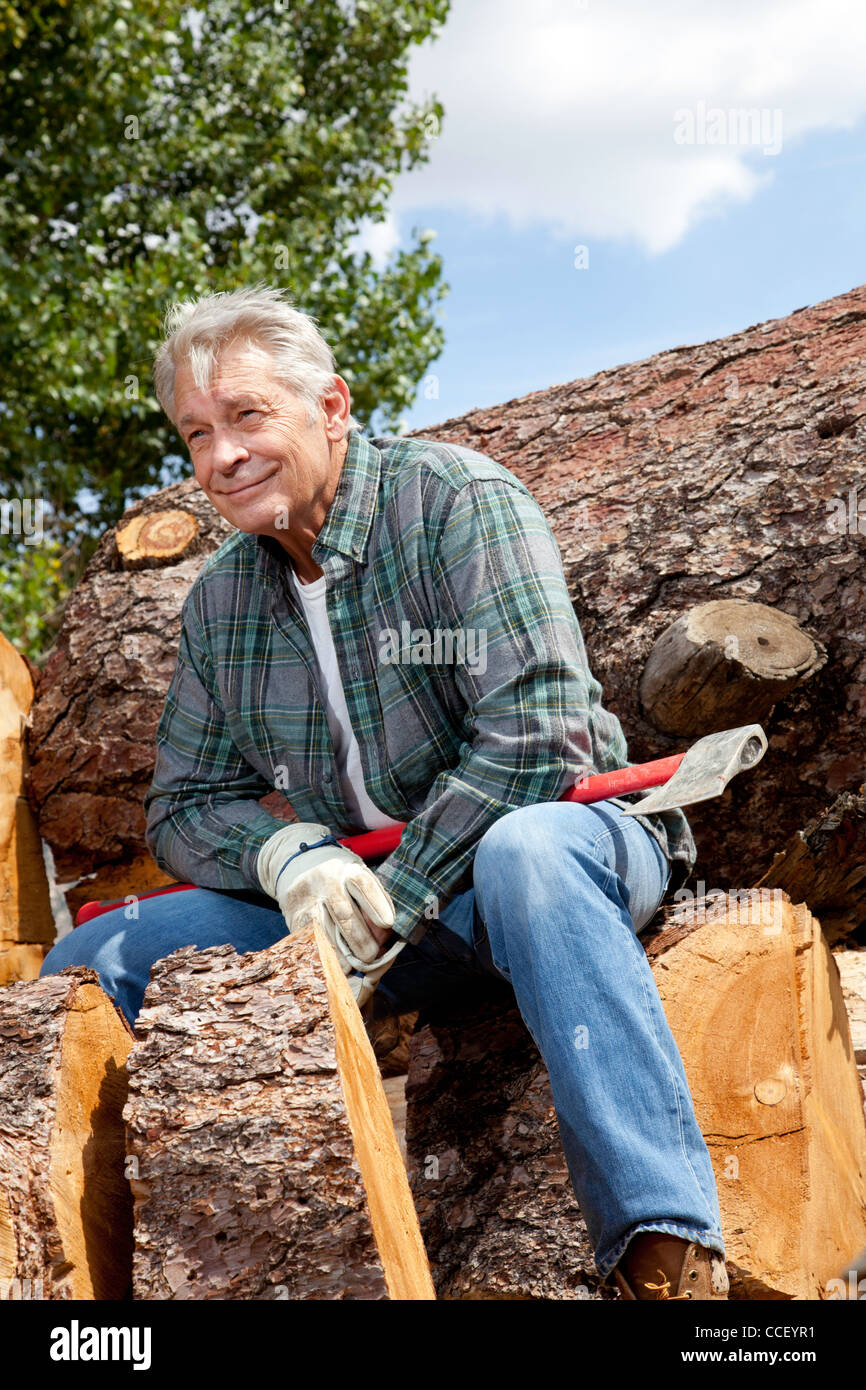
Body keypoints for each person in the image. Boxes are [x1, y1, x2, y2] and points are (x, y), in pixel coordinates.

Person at [41, 285, 728, 1301]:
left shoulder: (456, 502)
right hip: (368, 911)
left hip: (551, 866)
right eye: (195, 433)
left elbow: (534, 731)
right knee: (96, 951)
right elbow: (184, 807)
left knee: (525, 852)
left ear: (330, 407)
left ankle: (665, 1258)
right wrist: (290, 858)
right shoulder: (221, 602)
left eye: (244, 416)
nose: (220, 456)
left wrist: (393, 897)